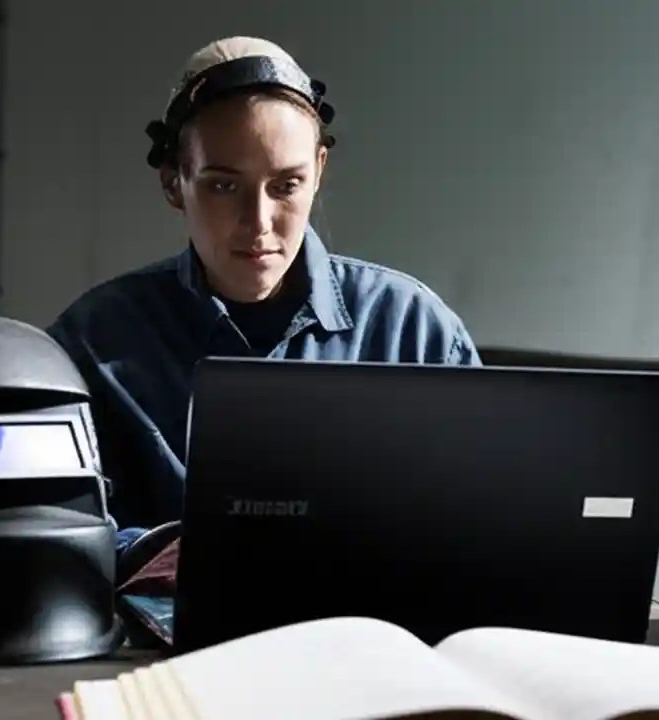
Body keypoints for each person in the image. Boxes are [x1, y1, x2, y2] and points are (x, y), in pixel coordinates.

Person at [46, 36, 481, 556]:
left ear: (318, 171)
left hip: (368, 634)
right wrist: (158, 556)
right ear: (173, 182)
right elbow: (53, 530)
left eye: (286, 185)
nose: (258, 223)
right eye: (224, 186)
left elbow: (479, 524)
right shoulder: (92, 343)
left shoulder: (413, 330)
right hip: (175, 637)